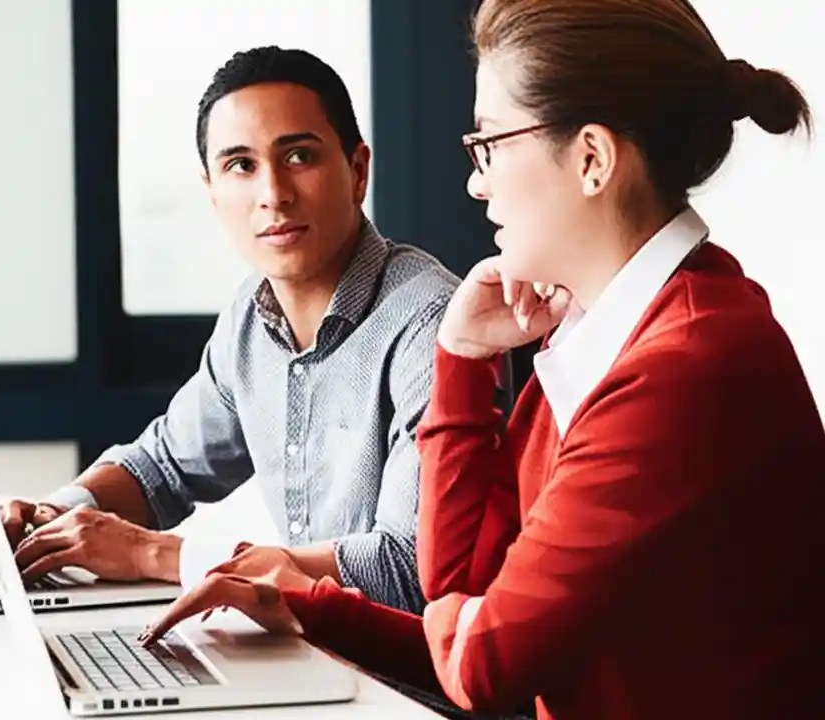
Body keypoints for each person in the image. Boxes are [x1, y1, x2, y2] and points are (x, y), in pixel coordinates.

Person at [141, 2, 825, 718]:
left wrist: (458, 619)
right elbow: (460, 584)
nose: (478, 182)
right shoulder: (602, 335)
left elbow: (486, 661)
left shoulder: (682, 365)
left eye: (491, 144)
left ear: (591, 159)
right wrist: (463, 360)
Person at [0, 46, 461, 611]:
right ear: (212, 192)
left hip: (414, 681)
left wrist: (157, 554)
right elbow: (163, 468)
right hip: (319, 649)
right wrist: (52, 517)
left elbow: (409, 568)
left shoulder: (432, 323)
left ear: (357, 171)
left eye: (298, 156)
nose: (273, 194)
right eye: (241, 166)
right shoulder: (252, 314)